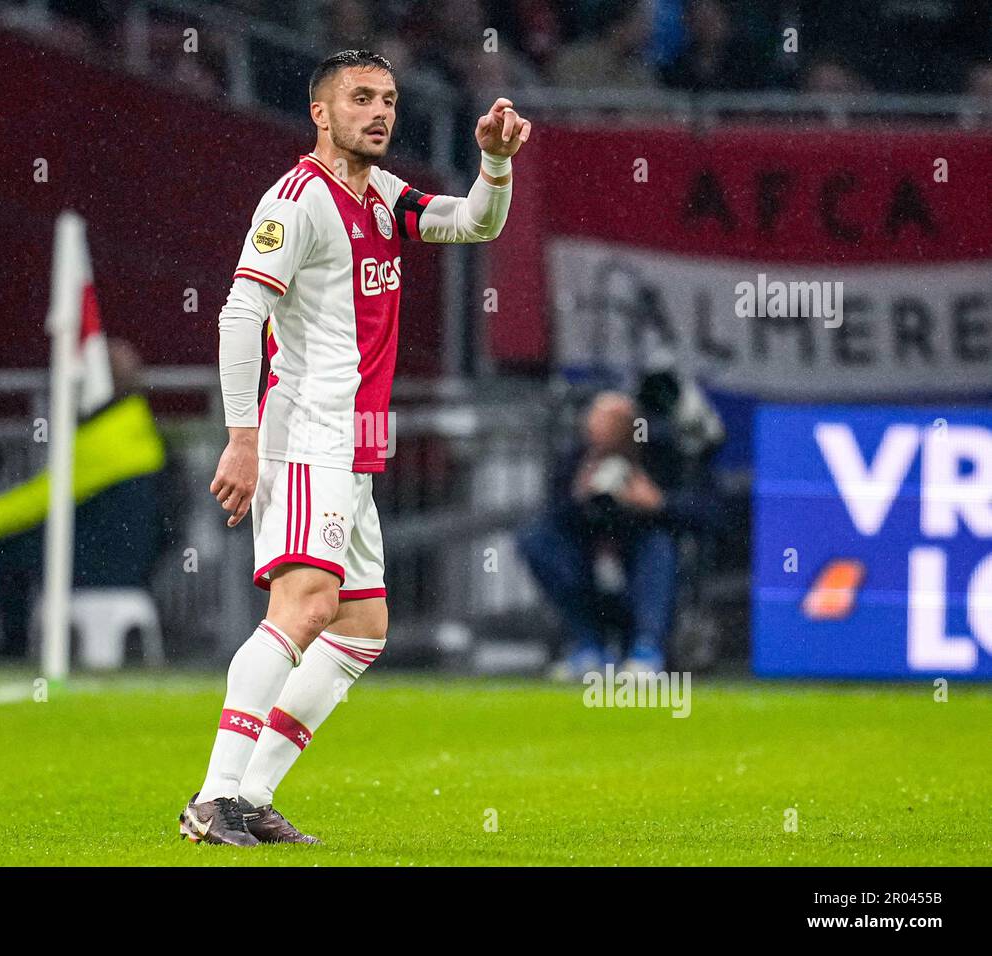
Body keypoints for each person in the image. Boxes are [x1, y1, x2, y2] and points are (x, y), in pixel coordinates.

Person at [180, 49, 529, 846]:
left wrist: (495, 163)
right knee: (303, 608)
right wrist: (242, 436)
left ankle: (251, 795)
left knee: (362, 629)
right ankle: (213, 796)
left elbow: (475, 221)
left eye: (390, 100)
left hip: (356, 446)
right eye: (361, 98)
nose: (380, 113)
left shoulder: (381, 195)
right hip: (306, 434)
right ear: (321, 113)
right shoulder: (297, 202)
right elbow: (239, 315)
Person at [0, 339, 167, 658]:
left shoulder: (108, 438)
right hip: (127, 563)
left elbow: (39, 501)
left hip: (103, 565)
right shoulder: (134, 427)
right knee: (11, 544)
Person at [516, 390, 699, 681]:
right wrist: (579, 497)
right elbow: (552, 517)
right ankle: (589, 647)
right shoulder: (576, 459)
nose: (597, 426)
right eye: (596, 419)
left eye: (612, 420)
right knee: (536, 540)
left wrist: (658, 502)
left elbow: (706, 513)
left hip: (641, 555)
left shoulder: (658, 454)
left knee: (659, 547)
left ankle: (647, 650)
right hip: (588, 557)